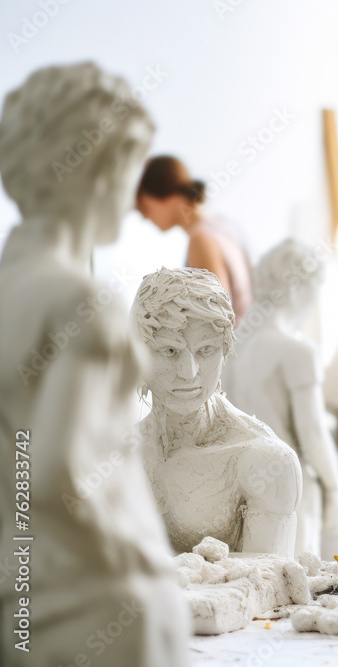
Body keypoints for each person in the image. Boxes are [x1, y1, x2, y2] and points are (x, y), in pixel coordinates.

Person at [0, 62, 188, 667]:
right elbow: (60, 472)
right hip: (99, 597)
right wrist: (142, 563)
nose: (134, 199)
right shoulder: (82, 302)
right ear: (101, 167)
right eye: (132, 169)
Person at [132, 267, 302, 557]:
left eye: (206, 350)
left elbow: (267, 584)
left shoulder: (262, 462)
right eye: (170, 351)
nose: (189, 372)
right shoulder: (120, 453)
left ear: (224, 351)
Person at [224, 239, 338, 556]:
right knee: (295, 584)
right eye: (315, 288)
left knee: (252, 586)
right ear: (299, 289)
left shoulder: (230, 349)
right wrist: (336, 489)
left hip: (236, 485)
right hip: (289, 485)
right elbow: (312, 434)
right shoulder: (297, 352)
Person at [136, 155, 253, 324]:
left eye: (145, 208)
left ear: (170, 195)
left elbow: (213, 318)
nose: (145, 217)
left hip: (232, 347)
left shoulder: (201, 239)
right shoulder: (221, 226)